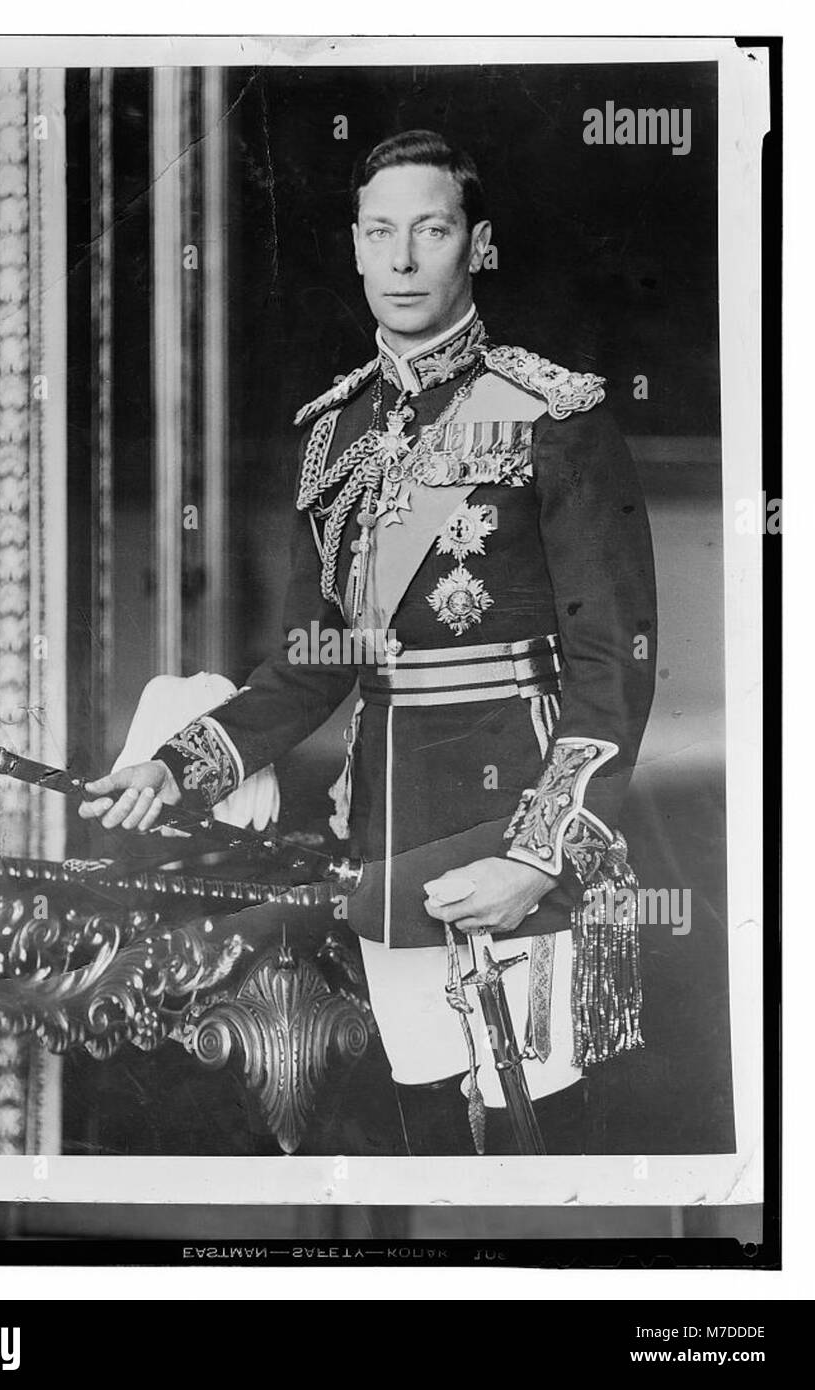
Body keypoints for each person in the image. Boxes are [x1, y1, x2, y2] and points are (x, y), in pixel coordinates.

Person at [79, 130, 657, 1156]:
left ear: (474, 244)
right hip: (389, 828)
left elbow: (616, 665)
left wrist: (537, 856)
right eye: (380, 233)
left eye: (429, 231)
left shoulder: (553, 417)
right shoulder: (334, 434)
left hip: (516, 812)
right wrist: (178, 765)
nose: (401, 260)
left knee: (543, 1136)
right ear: (354, 246)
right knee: (429, 1133)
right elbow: (314, 661)